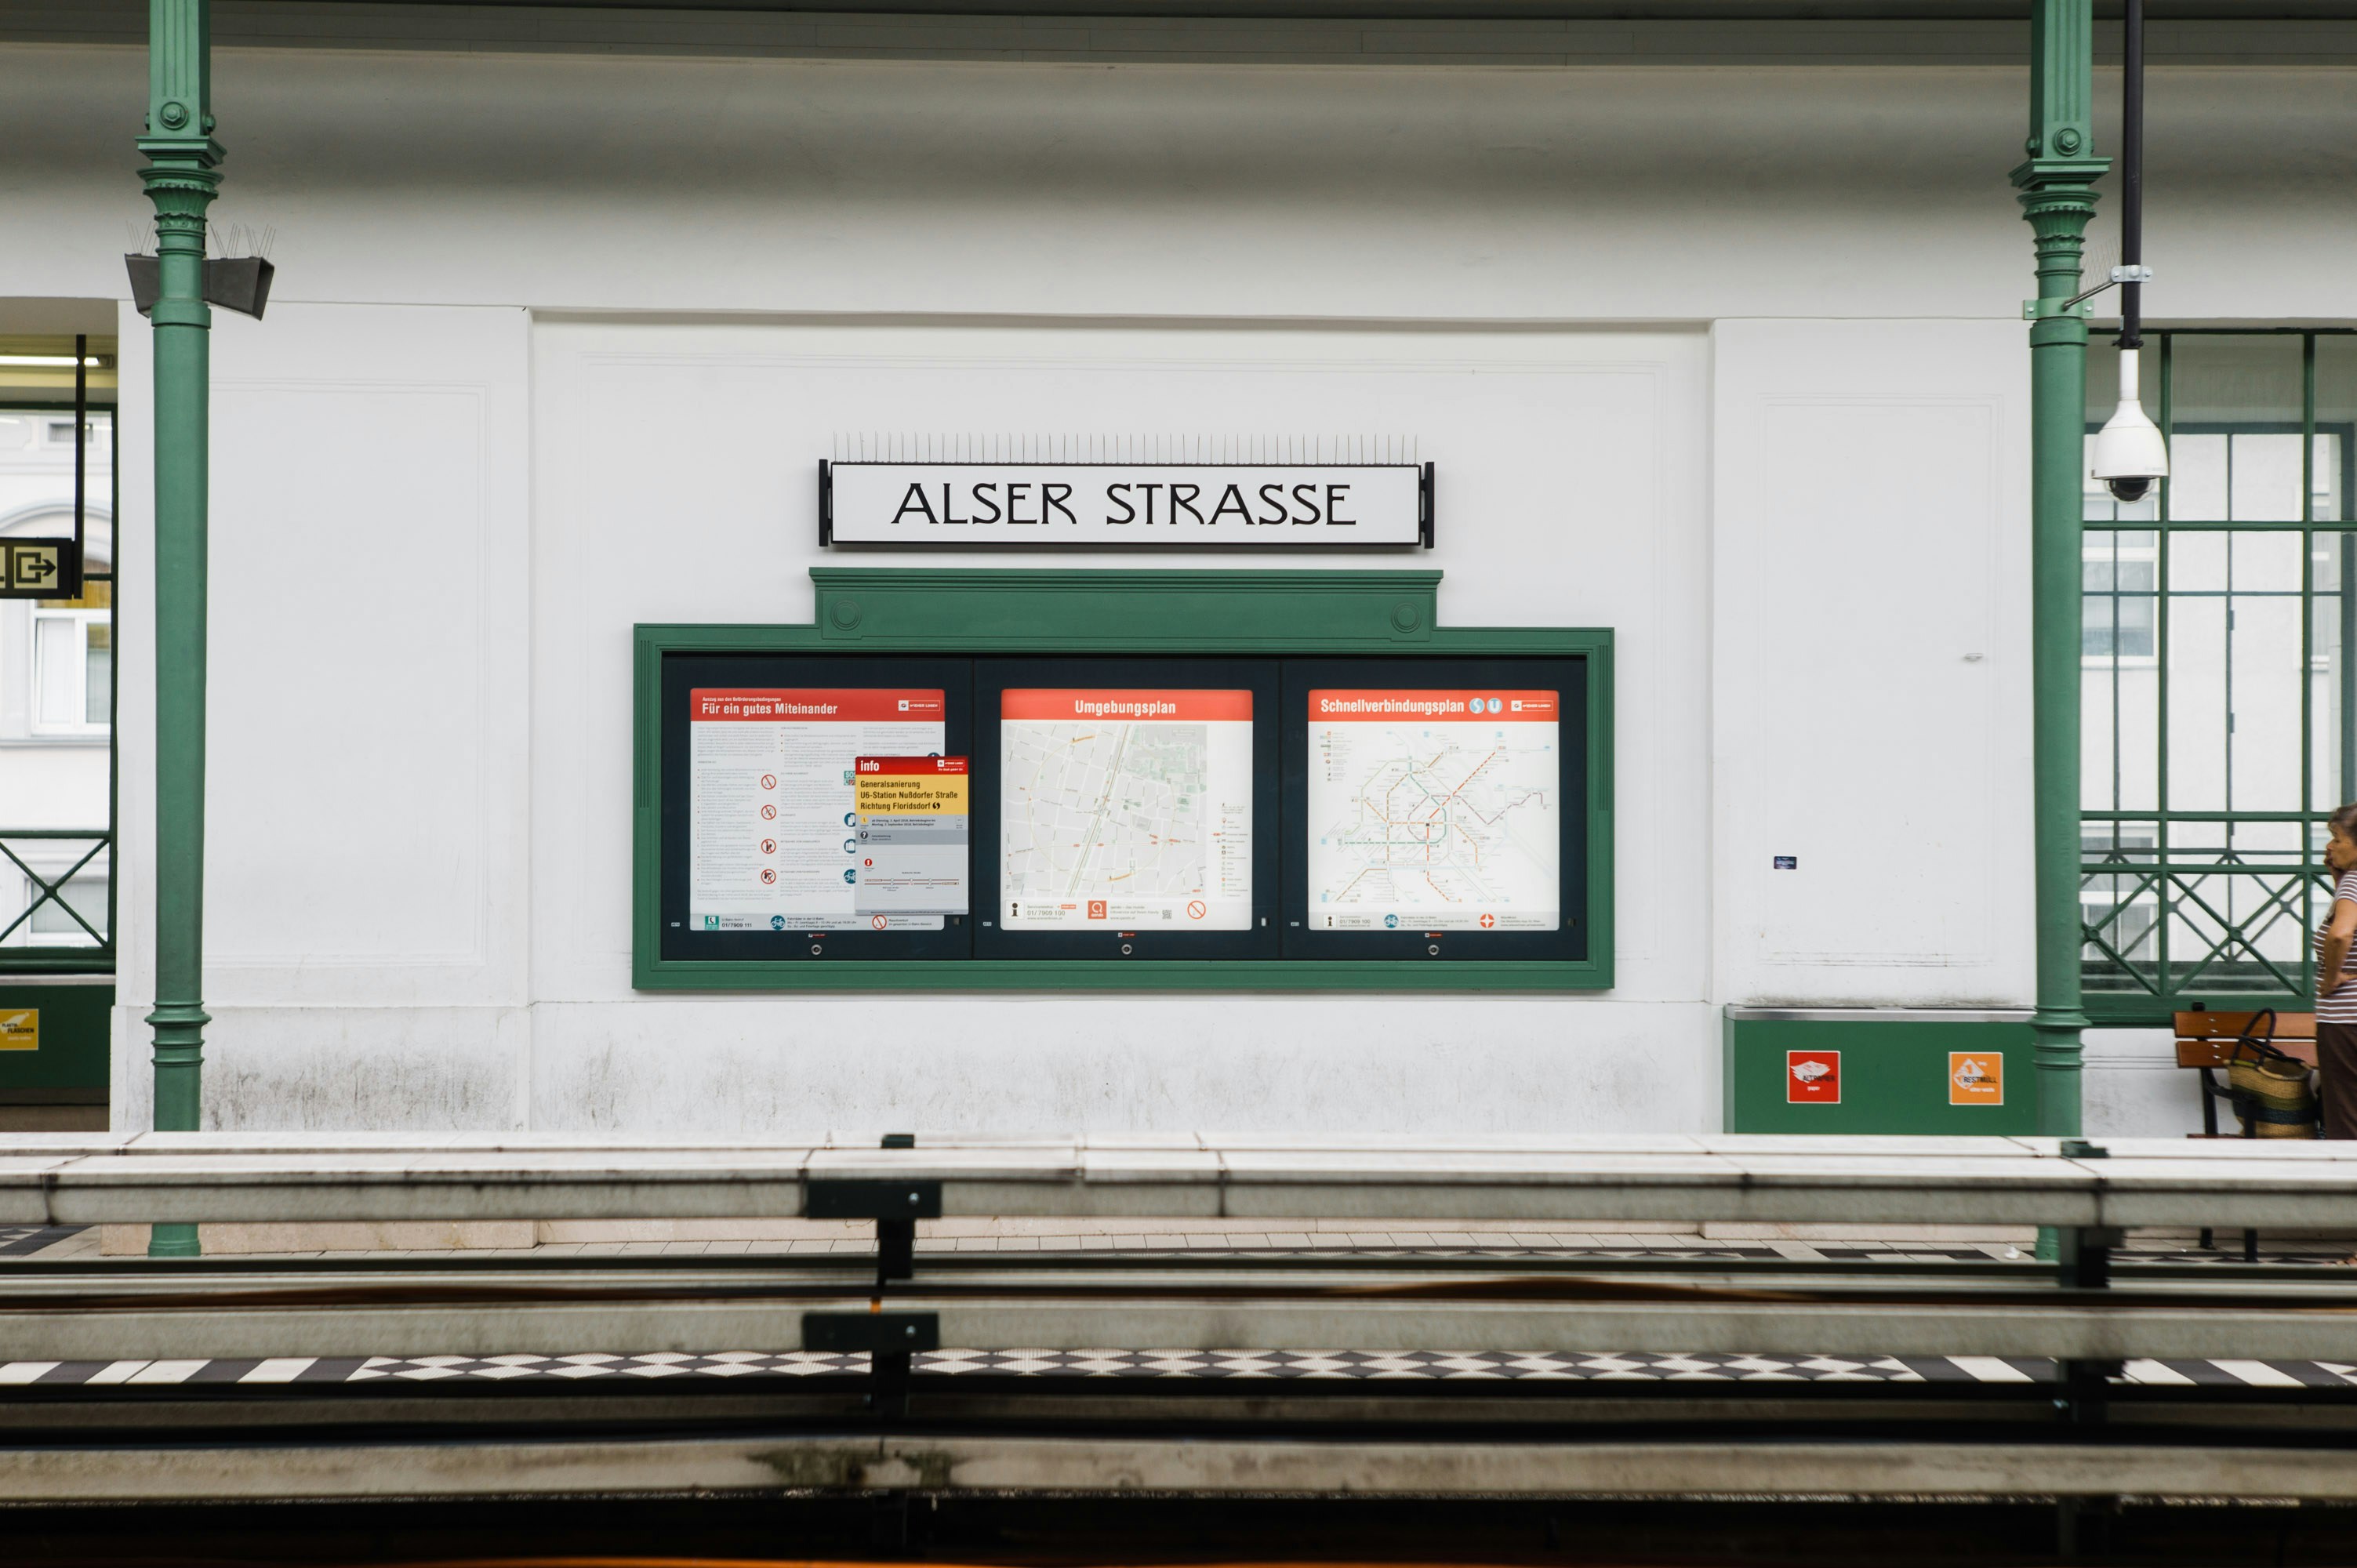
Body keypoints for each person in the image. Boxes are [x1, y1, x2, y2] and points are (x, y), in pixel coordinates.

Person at [2309, 803, 2357, 1140]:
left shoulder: (2353, 884)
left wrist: (2331, 979)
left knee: (2347, 1118)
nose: (2329, 847)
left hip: (2345, 1020)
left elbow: (2340, 934)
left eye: (2336, 838)